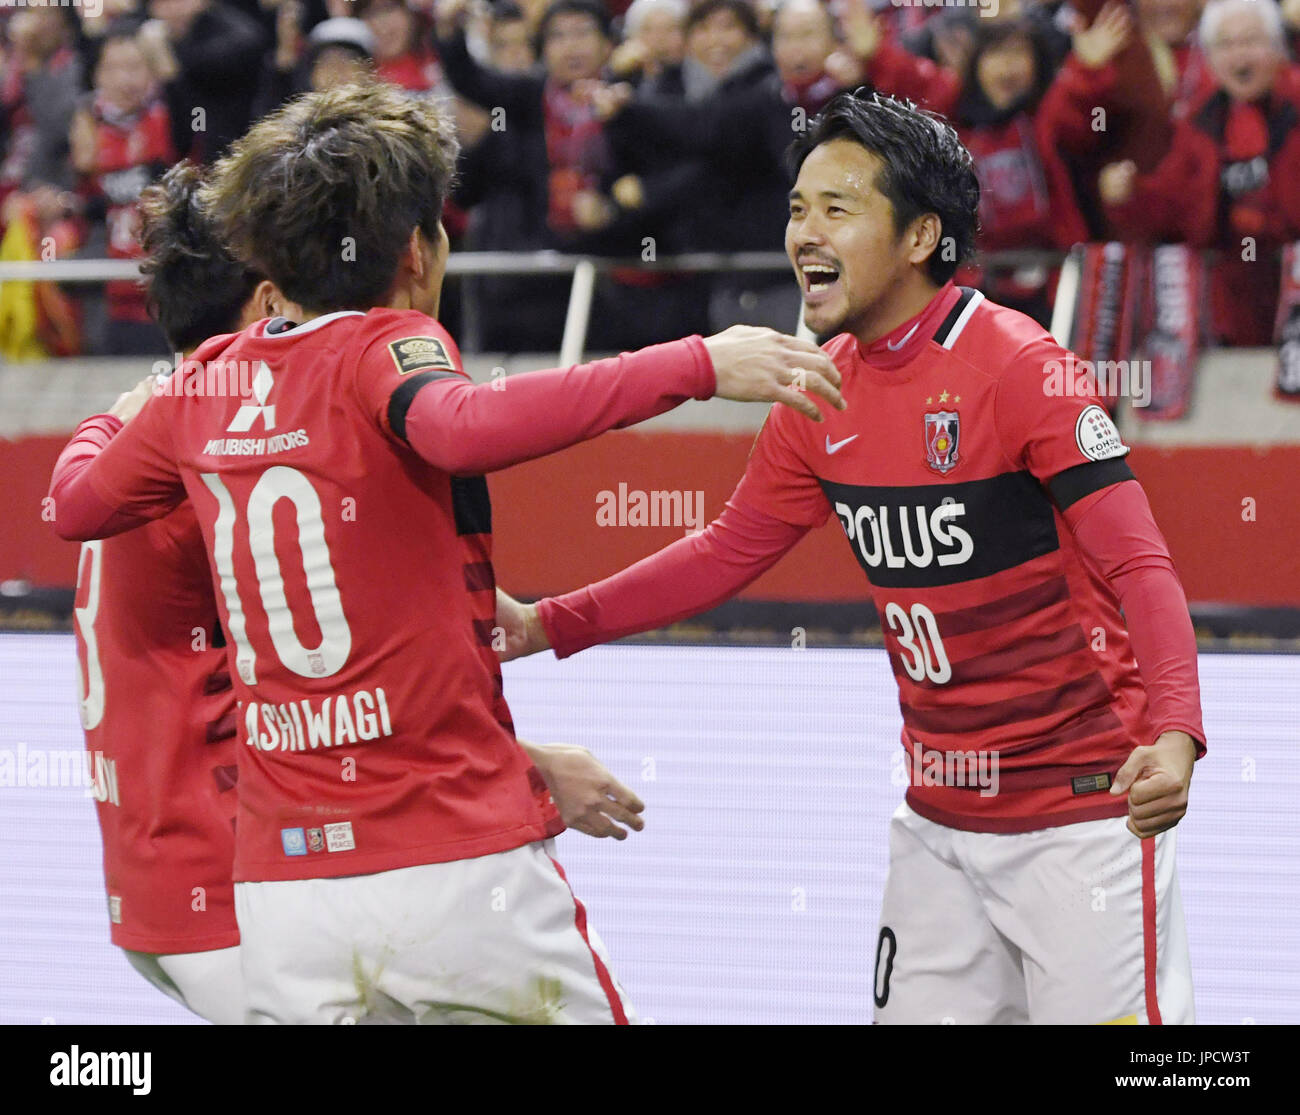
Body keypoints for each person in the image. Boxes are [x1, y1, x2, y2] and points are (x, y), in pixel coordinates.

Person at [47, 81, 842, 1024]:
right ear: (418, 251)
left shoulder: (200, 387)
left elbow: (74, 505)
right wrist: (697, 364)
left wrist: (122, 411)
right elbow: (461, 427)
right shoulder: (383, 345)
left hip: (282, 898)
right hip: (452, 870)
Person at [500, 90, 1206, 1025]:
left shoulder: (1021, 368)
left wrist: (1177, 732)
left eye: (837, 208)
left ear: (920, 237)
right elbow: (722, 554)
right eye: (797, 208)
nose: (804, 232)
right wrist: (544, 624)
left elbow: (1140, 565)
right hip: (936, 830)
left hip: (1081, 822)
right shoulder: (819, 388)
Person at [66, 158, 658, 1025]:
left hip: (168, 887)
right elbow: (331, 677)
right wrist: (521, 769)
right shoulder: (241, 447)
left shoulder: (159, 431)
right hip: (245, 878)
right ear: (271, 302)